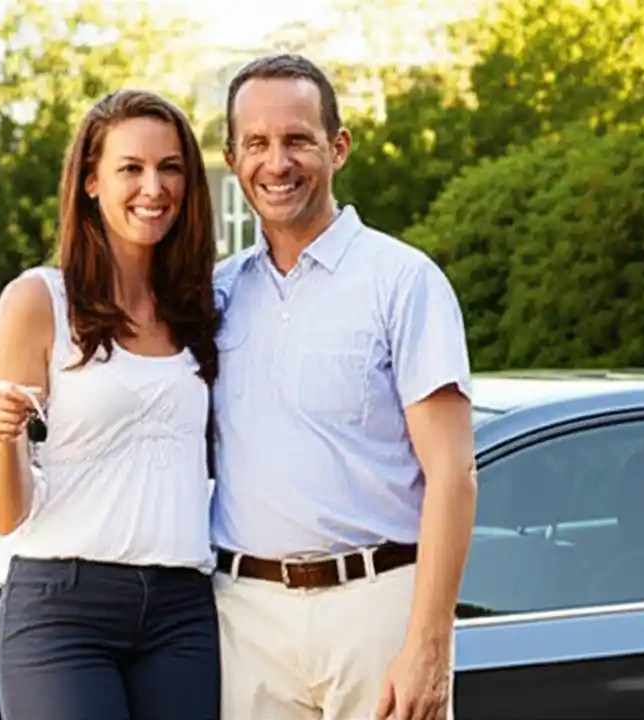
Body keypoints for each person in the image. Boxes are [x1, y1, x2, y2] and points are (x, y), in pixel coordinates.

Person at [209, 53, 477, 720]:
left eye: (298, 139)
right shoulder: (213, 293)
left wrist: (429, 644)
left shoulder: (403, 281)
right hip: (244, 619)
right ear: (232, 156)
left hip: (377, 608)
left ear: (338, 147)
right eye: (257, 144)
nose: (277, 163)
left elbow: (453, 472)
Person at [0, 88, 221, 719]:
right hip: (64, 608)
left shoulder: (201, 310)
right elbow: (4, 516)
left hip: (183, 611)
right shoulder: (38, 301)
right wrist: (1, 438)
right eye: (130, 169)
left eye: (170, 168)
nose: (153, 187)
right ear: (90, 181)